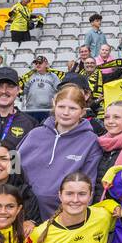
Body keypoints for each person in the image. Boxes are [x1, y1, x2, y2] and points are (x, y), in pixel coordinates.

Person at [17, 85, 103, 220]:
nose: (66, 112)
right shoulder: (35, 134)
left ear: (82, 112)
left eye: (73, 108)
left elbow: (88, 184)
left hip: (63, 219)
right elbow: (13, 167)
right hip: (25, 215)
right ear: (54, 106)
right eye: (61, 107)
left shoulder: (91, 141)